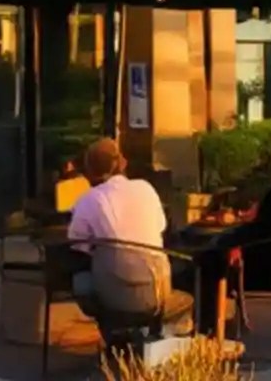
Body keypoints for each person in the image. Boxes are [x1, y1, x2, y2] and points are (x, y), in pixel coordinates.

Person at [185, 129, 271, 337]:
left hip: (268, 266)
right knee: (212, 255)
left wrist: (235, 241)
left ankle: (207, 328)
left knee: (206, 261)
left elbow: (262, 230)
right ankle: (218, 325)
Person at [66, 139, 192, 340]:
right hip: (157, 294)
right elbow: (161, 227)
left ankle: (114, 336)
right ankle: (152, 336)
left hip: (112, 298)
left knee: (81, 280)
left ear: (89, 171)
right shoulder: (146, 189)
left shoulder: (88, 200)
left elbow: (77, 244)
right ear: (122, 164)